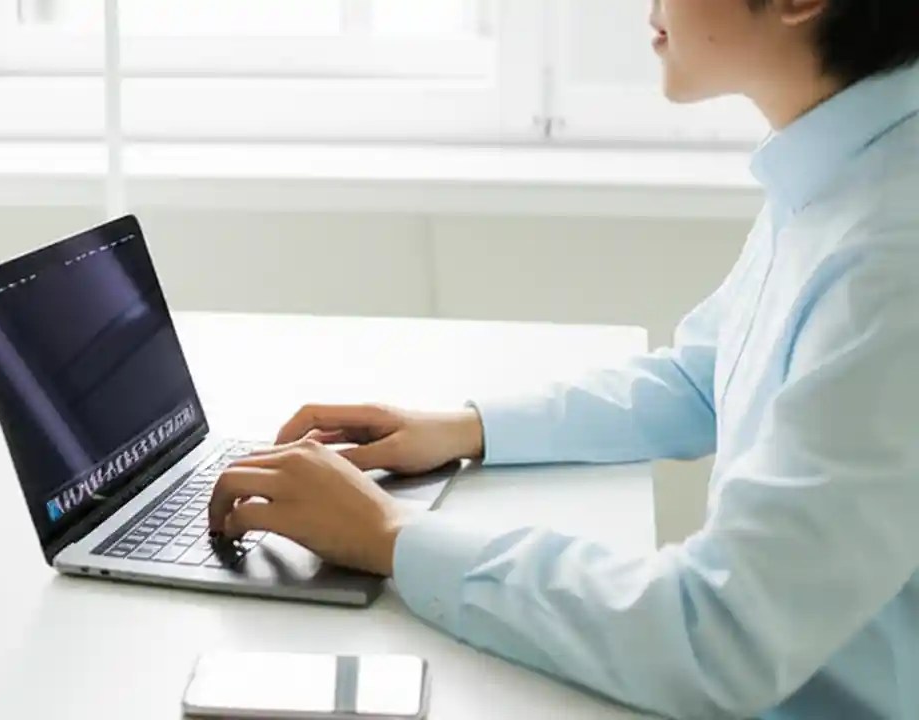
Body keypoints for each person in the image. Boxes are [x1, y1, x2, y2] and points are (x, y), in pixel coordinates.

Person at [207, 1, 919, 717]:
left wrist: (393, 537)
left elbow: (717, 633)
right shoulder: (842, 165)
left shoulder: (890, 259)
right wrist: (464, 430)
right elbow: (706, 379)